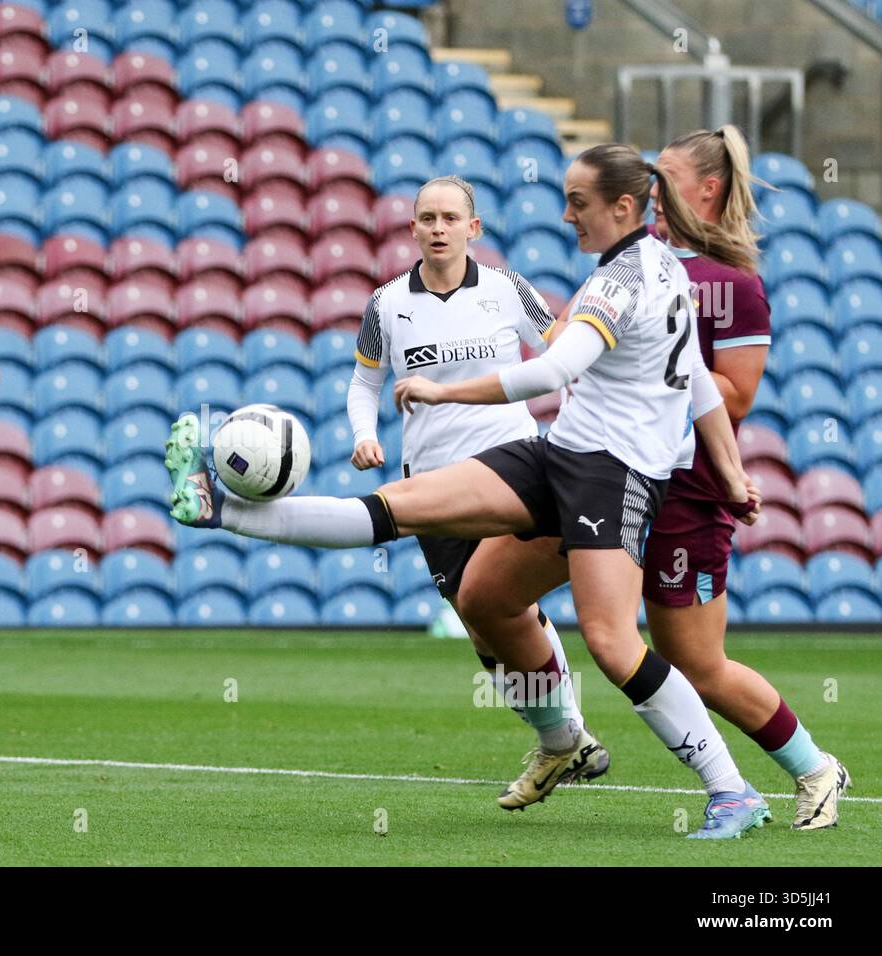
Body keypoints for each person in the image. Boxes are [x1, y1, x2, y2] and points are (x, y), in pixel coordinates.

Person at [164, 145, 770, 838]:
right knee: (447, 568)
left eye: (576, 201)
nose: (564, 213)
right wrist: (729, 469)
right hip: (550, 455)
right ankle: (223, 508)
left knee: (608, 641)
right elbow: (689, 372)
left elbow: (555, 367)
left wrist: (443, 389)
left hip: (609, 474)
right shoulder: (654, 264)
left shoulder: (595, 282)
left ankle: (730, 789)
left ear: (623, 207)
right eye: (426, 217)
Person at [346, 174, 607, 784]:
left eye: (449, 218)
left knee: (508, 603)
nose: (438, 229)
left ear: (474, 228)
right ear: (412, 228)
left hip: (511, 470)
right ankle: (564, 735)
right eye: (427, 219)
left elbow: (561, 353)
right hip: (432, 487)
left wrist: (579, 427)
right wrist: (364, 433)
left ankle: (569, 733)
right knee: (480, 623)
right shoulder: (387, 303)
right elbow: (365, 382)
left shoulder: (507, 288)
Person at [641, 127, 847, 828]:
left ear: (708, 189)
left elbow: (735, 395)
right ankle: (559, 735)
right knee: (495, 585)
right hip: (609, 472)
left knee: (697, 665)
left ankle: (814, 769)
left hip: (687, 491)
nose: (651, 193)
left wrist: (653, 377)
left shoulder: (733, 288)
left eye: (665, 178)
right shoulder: (632, 265)